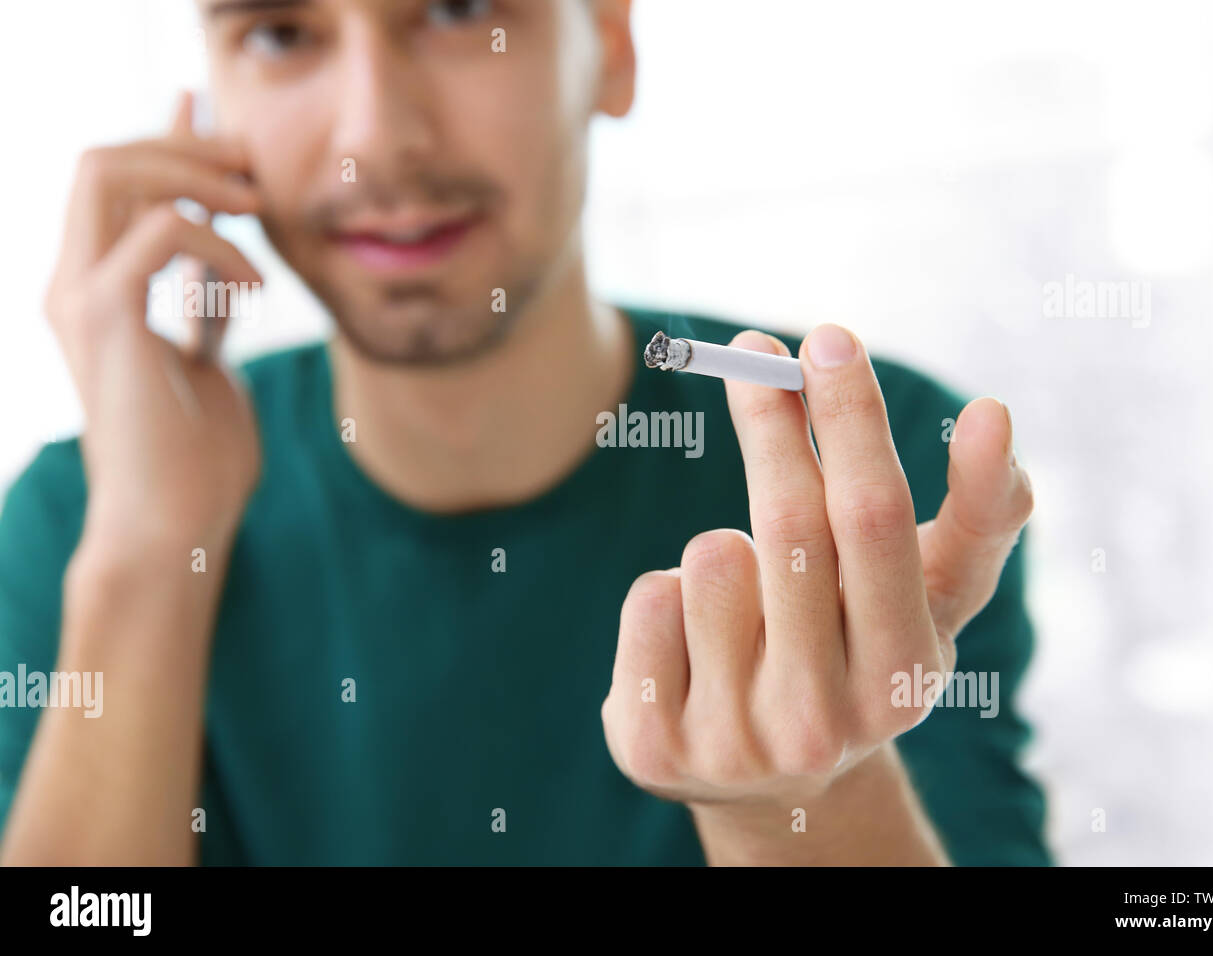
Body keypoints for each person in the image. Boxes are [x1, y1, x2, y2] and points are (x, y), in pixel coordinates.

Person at [0, 0, 1047, 865]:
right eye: (279, 33)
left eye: (460, 13)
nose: (374, 136)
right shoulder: (84, 517)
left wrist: (799, 802)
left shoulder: (872, 466)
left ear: (613, 48)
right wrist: (144, 549)